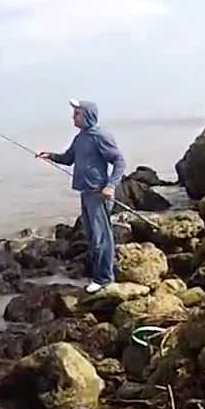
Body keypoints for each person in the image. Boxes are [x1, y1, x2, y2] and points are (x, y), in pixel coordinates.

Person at [36, 99, 127, 294]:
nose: (73, 117)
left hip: (98, 194)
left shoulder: (100, 136)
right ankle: (99, 275)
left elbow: (119, 161)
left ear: (88, 115)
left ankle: (104, 279)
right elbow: (68, 159)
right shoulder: (80, 138)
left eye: (77, 113)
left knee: (101, 237)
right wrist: (50, 155)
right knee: (93, 236)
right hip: (85, 192)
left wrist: (110, 186)